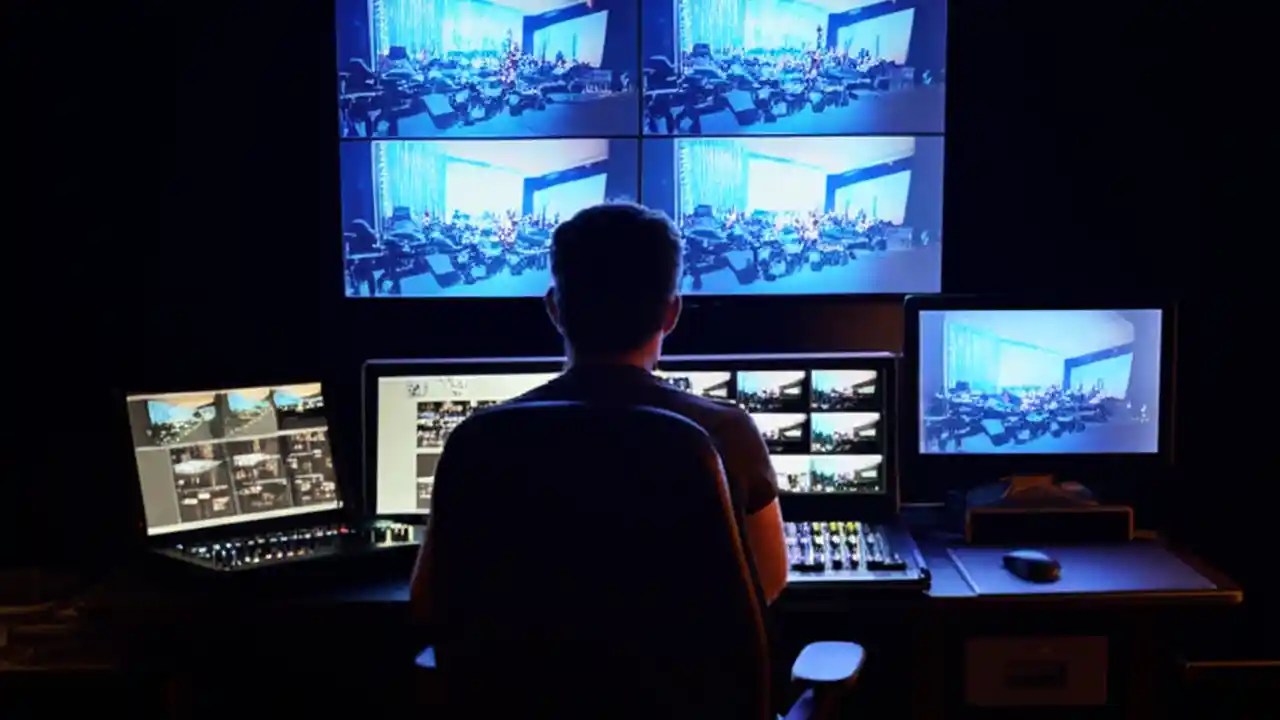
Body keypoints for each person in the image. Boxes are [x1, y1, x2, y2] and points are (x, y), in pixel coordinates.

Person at [411, 203, 789, 624]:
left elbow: (429, 600)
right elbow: (768, 582)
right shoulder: (725, 432)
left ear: (554, 308)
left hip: (527, 689)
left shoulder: (477, 440)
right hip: (680, 689)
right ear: (672, 314)